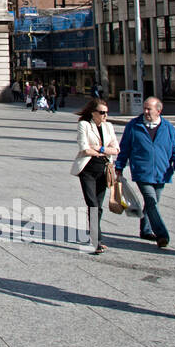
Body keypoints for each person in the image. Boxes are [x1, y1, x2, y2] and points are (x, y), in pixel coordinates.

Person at [114, 96, 175, 250]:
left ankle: (145, 230)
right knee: (151, 200)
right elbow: (125, 148)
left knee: (153, 202)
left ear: (159, 110)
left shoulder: (168, 127)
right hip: (142, 172)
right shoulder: (134, 125)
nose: (145, 111)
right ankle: (162, 234)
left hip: (162, 172)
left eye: (148, 109)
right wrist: (119, 166)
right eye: (144, 108)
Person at [71, 97, 120, 253]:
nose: (105, 116)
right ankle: (96, 240)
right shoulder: (84, 125)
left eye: (106, 112)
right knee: (92, 203)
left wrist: (98, 149)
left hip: (104, 170)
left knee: (98, 205)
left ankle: (97, 235)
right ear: (93, 113)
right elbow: (84, 149)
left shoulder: (109, 127)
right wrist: (104, 149)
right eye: (101, 113)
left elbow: (116, 149)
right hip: (87, 170)